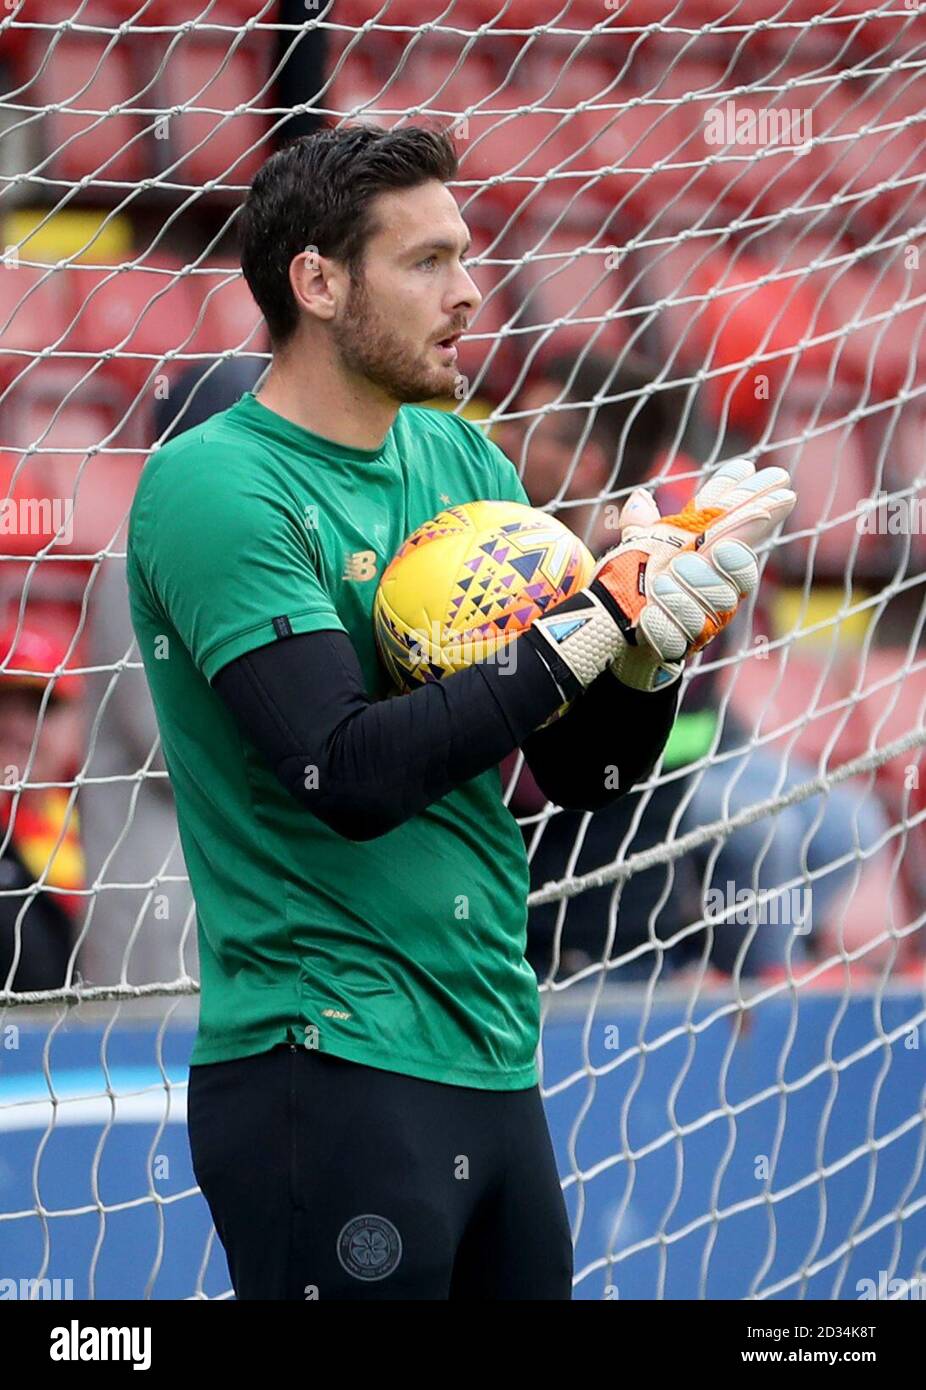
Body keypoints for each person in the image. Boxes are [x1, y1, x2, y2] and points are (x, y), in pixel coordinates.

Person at [126, 123, 784, 1300]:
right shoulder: (215, 482)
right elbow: (345, 772)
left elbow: (580, 773)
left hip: (490, 1039)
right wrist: (590, 625)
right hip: (321, 1057)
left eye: (467, 257)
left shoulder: (463, 461)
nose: (471, 293)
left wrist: (649, 647)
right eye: (425, 262)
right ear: (316, 282)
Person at [0, 623, 85, 993]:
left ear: (78, 724)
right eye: (0, 705)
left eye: (41, 706)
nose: (15, 726)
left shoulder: (106, 828)